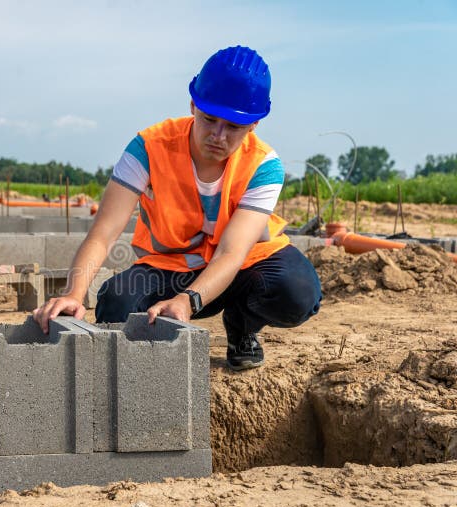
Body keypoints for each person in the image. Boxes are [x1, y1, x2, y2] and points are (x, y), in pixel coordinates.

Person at [33, 45, 322, 371]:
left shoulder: (264, 167)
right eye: (209, 119)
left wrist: (189, 301)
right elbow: (104, 234)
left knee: (297, 293)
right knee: (117, 302)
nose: (218, 135)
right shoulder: (148, 148)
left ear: (253, 125)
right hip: (173, 267)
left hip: (243, 269)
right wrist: (74, 292)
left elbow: (231, 253)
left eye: (233, 127)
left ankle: (241, 326)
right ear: (193, 105)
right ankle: (141, 373)